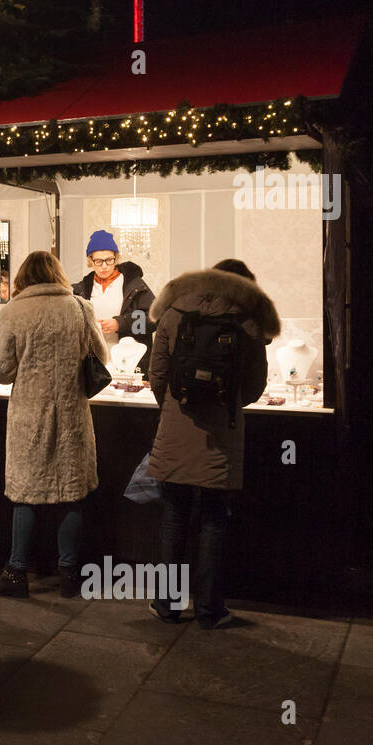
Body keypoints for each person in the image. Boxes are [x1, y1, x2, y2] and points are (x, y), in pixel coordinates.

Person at [146, 259, 279, 629]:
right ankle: (209, 610)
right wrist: (228, 405)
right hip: (222, 430)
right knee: (214, 519)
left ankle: (166, 605)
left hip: (176, 425)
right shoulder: (248, 321)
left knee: (173, 515)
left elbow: (157, 373)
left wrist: (174, 406)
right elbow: (255, 384)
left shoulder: (175, 311)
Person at [0, 251, 106, 599]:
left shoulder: (14, 311)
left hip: (29, 417)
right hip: (72, 415)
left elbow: (2, 372)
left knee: (25, 493)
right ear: (58, 275)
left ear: (23, 277)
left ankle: (16, 572)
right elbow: (101, 356)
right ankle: (69, 575)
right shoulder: (81, 308)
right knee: (72, 493)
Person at [72, 230, 155, 371]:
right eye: (98, 261)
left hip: (129, 366)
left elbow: (153, 319)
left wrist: (120, 323)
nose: (104, 266)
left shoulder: (134, 285)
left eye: (109, 260)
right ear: (90, 261)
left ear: (116, 258)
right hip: (93, 367)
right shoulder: (81, 290)